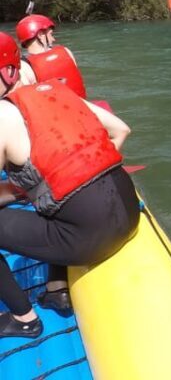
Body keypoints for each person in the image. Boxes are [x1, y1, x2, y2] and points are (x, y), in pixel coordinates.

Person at [0, 32, 139, 339]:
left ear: (6, 74)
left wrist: (21, 192)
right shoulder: (57, 91)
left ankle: (24, 320)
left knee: (50, 203)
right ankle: (56, 288)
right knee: (53, 200)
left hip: (90, 239)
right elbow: (122, 130)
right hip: (129, 216)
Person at [16, 14, 88, 98]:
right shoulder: (66, 51)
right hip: (83, 107)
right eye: (51, 34)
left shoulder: (23, 67)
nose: (53, 39)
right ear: (40, 35)